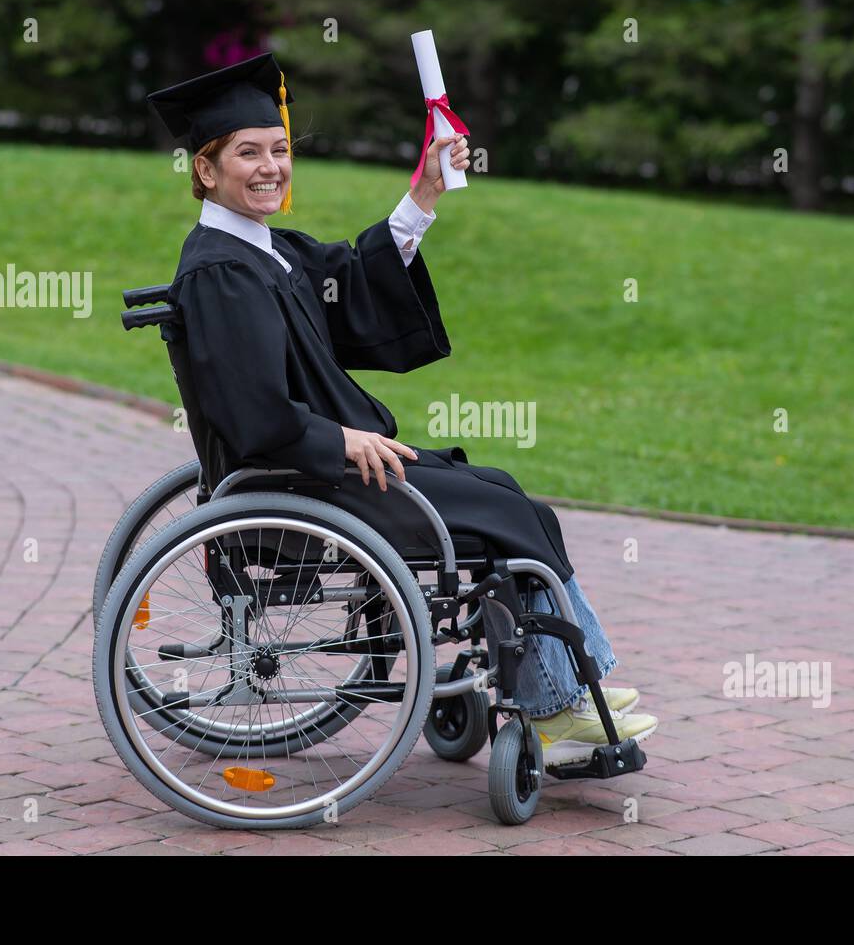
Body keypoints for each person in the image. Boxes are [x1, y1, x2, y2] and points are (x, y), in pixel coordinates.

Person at [147, 53, 658, 768]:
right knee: (508, 518)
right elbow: (253, 410)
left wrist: (424, 192)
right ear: (205, 170)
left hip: (319, 470)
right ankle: (556, 710)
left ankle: (572, 686)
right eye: (248, 153)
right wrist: (340, 437)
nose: (271, 166)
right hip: (300, 481)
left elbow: (350, 282)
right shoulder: (222, 271)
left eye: (281, 149)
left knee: (510, 496)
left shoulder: (262, 251)